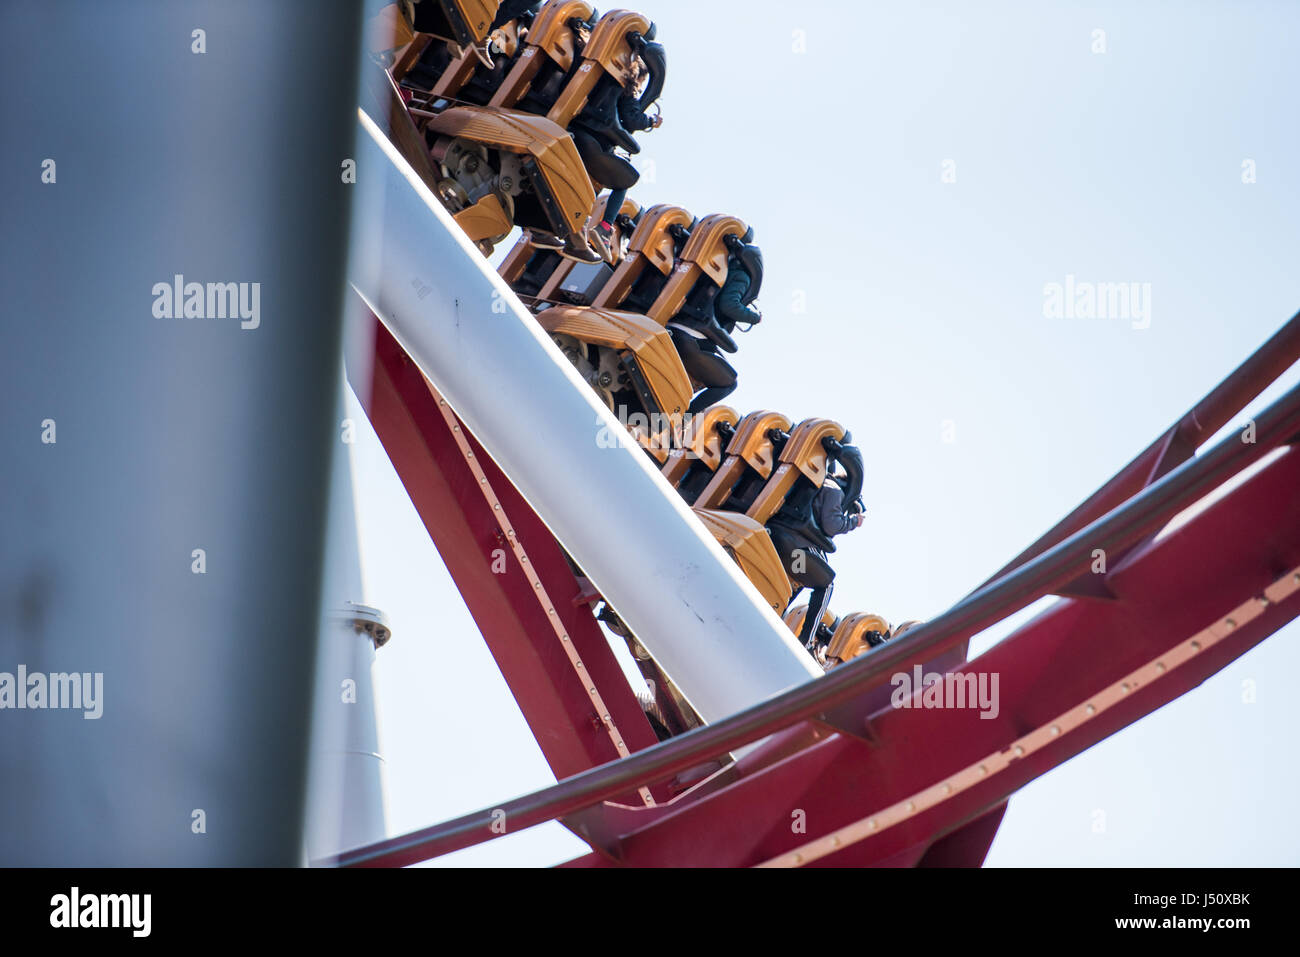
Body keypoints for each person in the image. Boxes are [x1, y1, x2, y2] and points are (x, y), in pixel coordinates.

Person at [573, 30, 666, 258]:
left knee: (593, 179)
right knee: (624, 179)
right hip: (595, 144)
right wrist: (652, 121)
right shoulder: (627, 84)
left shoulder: (598, 70)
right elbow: (632, 119)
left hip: (573, 132)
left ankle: (577, 222)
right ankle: (603, 228)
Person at [668, 237, 763, 413]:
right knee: (728, 382)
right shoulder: (741, 274)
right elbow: (729, 306)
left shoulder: (712, 263)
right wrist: (754, 317)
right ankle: (683, 418)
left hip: (672, 325)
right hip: (692, 336)